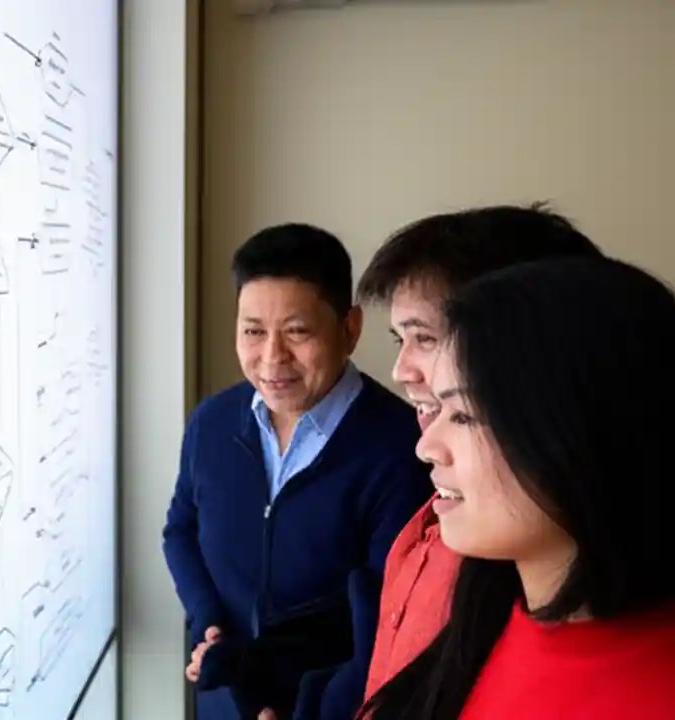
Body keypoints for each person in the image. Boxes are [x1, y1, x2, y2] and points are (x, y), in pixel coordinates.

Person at [356, 255, 675, 718]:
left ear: (576, 431)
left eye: (463, 415)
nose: (427, 447)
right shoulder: (483, 617)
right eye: (437, 412)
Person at [162, 223, 432, 719]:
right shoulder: (213, 422)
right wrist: (209, 625)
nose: (271, 358)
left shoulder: (403, 447)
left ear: (349, 328)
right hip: (224, 697)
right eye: (253, 331)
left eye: (297, 331)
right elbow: (180, 530)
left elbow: (389, 616)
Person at [350, 204, 604, 701]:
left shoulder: (516, 543)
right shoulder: (449, 513)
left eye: (426, 338)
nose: (401, 368)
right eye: (400, 338)